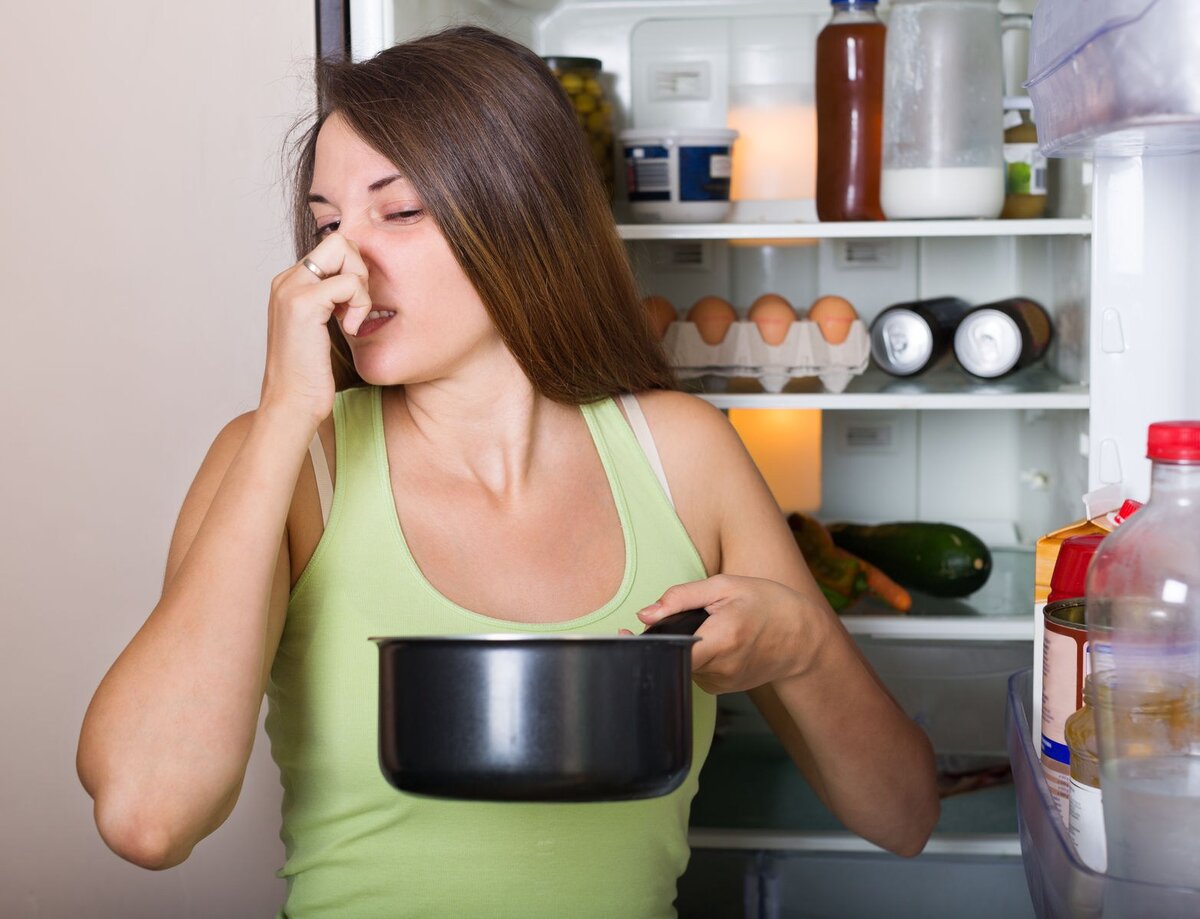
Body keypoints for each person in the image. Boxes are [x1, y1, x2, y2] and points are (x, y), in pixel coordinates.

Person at [76, 25, 938, 918]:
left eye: (398, 212)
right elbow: (146, 817)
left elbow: (904, 814)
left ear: (519, 208)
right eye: (327, 224)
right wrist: (286, 412)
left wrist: (798, 644)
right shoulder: (290, 466)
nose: (338, 261)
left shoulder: (682, 454)